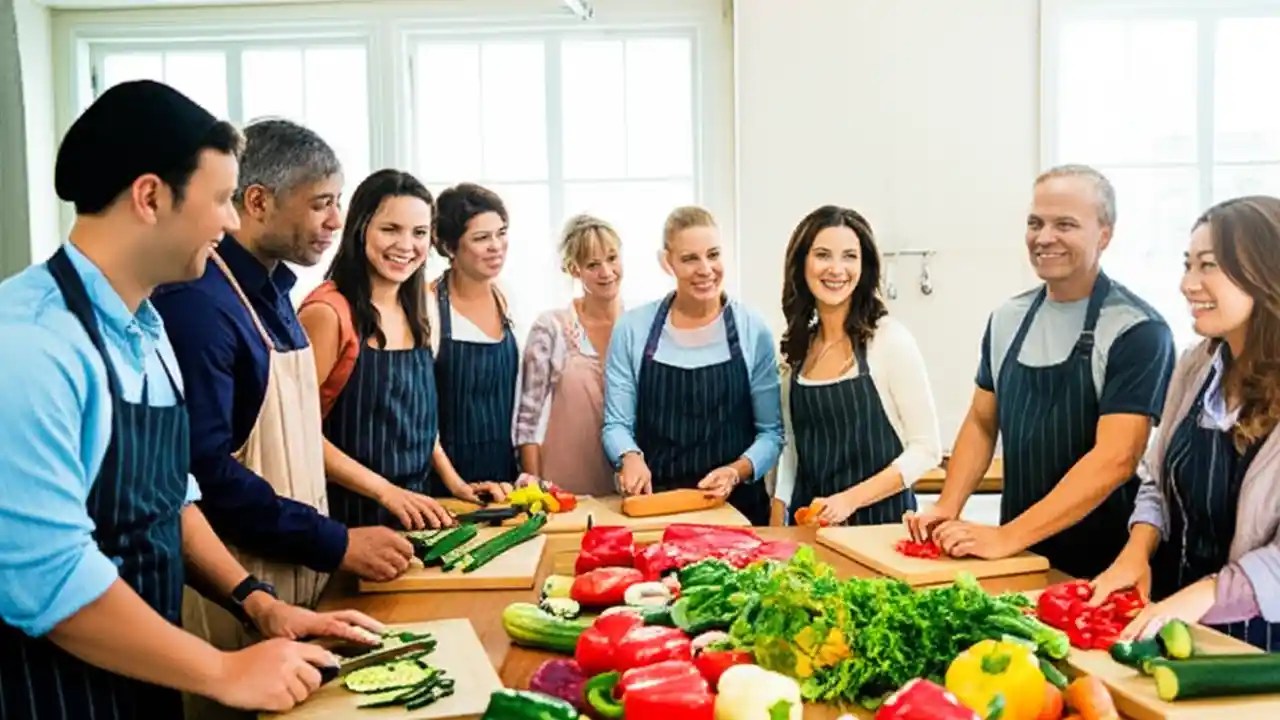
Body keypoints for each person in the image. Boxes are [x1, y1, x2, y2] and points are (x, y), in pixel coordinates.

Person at [0, 80, 382, 719]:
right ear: (150, 197)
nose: (234, 220)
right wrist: (224, 670)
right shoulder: (31, 344)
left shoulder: (146, 326)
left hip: (143, 677)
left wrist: (258, 603)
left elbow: (168, 497)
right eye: (222, 200)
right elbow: (46, 578)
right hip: (50, 692)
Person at [151, 120, 416, 710]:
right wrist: (334, 542)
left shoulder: (274, 292)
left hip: (299, 582)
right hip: (234, 596)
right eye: (321, 203)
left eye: (338, 203)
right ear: (257, 201)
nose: (336, 221)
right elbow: (204, 474)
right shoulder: (198, 305)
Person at [906, 165, 1176, 579]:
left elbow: (1116, 458)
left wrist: (1006, 537)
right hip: (1021, 559)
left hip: (1106, 567)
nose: (1044, 237)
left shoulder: (1137, 330)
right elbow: (981, 422)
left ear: (1105, 235)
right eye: (1036, 223)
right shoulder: (1007, 319)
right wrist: (947, 505)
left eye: (1065, 224)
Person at [1090, 196, 1280, 651]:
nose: (1187, 284)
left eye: (1208, 266)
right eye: (1187, 264)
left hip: (1261, 647)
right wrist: (1136, 553)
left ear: (1265, 273)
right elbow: (1156, 479)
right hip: (1178, 627)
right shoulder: (1196, 366)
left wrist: (1209, 592)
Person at [298, 169, 464, 529]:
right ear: (360, 229)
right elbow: (298, 433)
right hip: (349, 522)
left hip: (416, 513)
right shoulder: (328, 312)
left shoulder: (419, 304)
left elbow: (416, 418)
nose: (407, 245)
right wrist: (385, 492)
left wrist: (456, 483)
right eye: (390, 229)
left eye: (419, 233)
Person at [603, 206, 784, 525]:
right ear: (666, 261)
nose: (706, 269)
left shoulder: (752, 328)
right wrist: (628, 457)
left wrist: (735, 471)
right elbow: (616, 424)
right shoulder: (633, 329)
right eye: (690, 259)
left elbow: (771, 433)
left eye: (713, 255)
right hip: (657, 508)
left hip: (737, 511)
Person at [773, 206, 942, 526]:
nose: (837, 269)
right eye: (823, 255)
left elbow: (926, 450)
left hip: (882, 529)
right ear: (802, 264)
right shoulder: (795, 352)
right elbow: (791, 457)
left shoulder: (889, 340)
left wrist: (849, 500)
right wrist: (776, 528)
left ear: (864, 267)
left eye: (849, 256)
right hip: (810, 531)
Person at [514, 214, 624, 496]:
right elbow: (528, 418)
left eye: (612, 258)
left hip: (628, 484)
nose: (606, 272)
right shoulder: (551, 328)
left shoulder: (639, 326)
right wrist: (534, 489)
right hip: (564, 484)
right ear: (574, 269)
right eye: (593, 264)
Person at [427, 182, 523, 501]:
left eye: (501, 232)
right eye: (481, 238)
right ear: (449, 247)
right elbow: (417, 417)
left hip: (504, 476)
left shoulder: (509, 297)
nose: (496, 246)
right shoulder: (427, 307)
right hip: (443, 482)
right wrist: (456, 485)